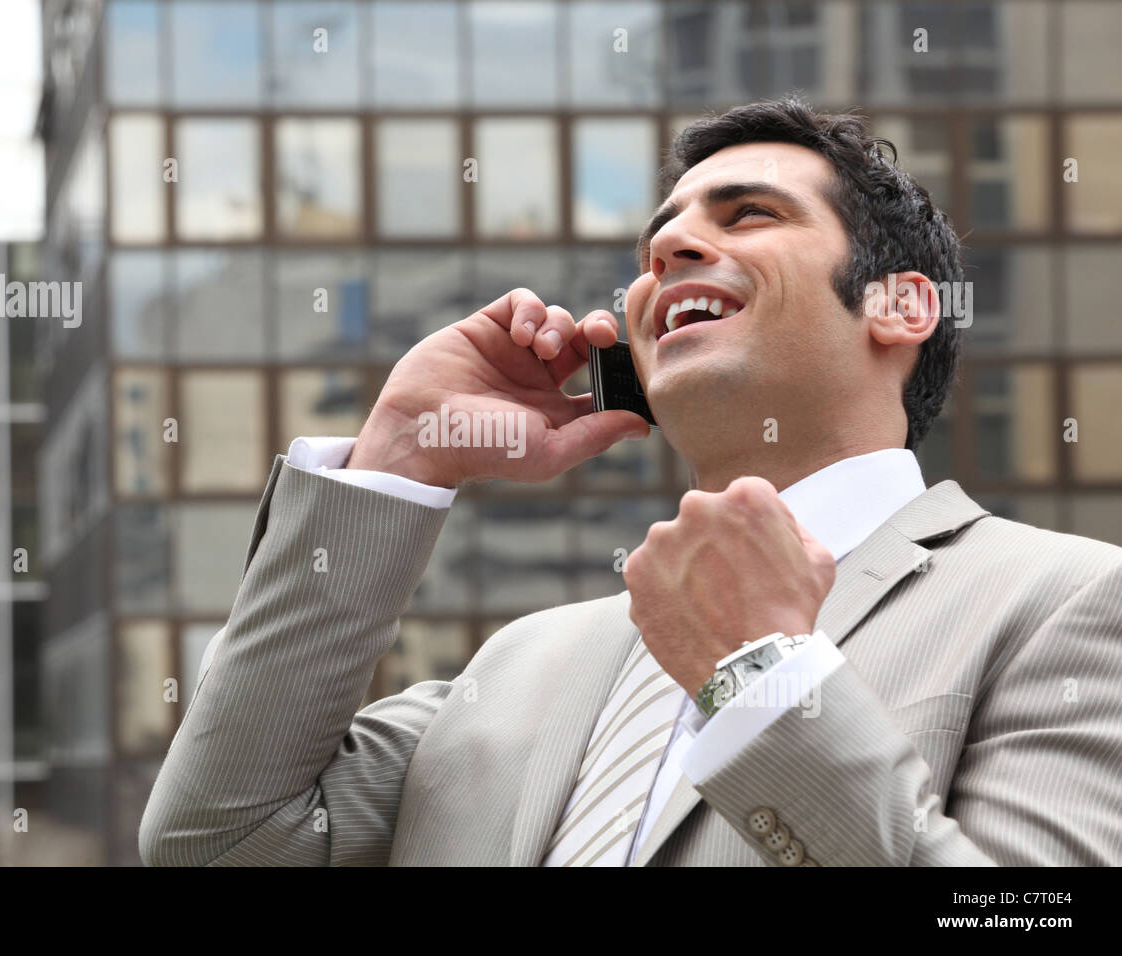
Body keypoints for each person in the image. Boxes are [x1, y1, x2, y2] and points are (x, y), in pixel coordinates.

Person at [139, 97, 1122, 867]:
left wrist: (766, 677)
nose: (668, 248)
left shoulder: (1068, 601)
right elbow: (213, 842)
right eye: (660, 233)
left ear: (901, 305)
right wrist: (404, 452)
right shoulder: (514, 663)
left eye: (748, 214)